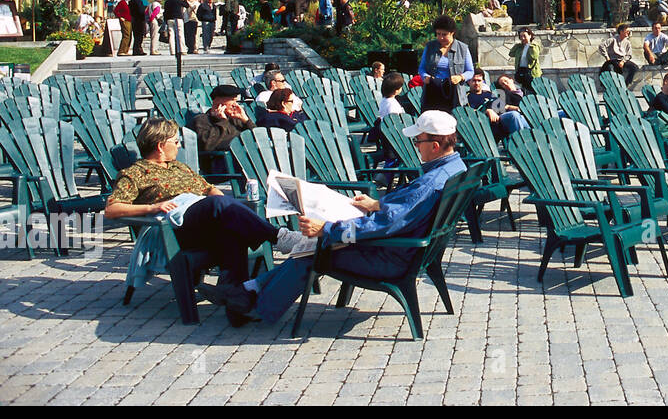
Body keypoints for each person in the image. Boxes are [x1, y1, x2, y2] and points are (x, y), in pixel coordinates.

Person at [209, 109, 468, 326]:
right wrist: (377, 203)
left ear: (434, 146)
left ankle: (255, 307)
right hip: (415, 250)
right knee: (318, 243)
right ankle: (249, 289)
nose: (416, 147)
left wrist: (327, 228)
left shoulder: (429, 183)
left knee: (318, 249)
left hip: (394, 256)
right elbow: (404, 211)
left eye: (418, 142)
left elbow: (385, 224)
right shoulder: (455, 168)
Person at [104, 118, 310, 325]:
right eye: (175, 142)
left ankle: (237, 303)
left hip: (201, 218)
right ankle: (279, 237)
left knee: (230, 230)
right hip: (174, 229)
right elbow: (112, 209)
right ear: (160, 145)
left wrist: (222, 204)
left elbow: (209, 188)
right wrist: (152, 208)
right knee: (217, 206)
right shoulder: (134, 174)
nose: (179, 145)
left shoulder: (179, 167)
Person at [418, 14, 475, 112]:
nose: (440, 37)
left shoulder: (463, 48)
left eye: (444, 34)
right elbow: (421, 68)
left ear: (452, 33)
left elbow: (470, 71)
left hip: (454, 94)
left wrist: (460, 77)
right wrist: (425, 76)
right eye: (438, 34)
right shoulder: (430, 47)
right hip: (432, 91)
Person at [191, 85, 254, 156]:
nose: (235, 104)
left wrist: (246, 120)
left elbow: (258, 138)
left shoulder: (236, 119)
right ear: (218, 101)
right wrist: (222, 122)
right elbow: (207, 145)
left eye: (236, 101)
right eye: (232, 100)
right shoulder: (202, 120)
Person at [466, 70, 529, 138]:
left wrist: (515, 108)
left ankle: (531, 142)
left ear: (483, 82)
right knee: (514, 115)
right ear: (469, 82)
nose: (477, 83)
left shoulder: (489, 94)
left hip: (501, 117)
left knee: (523, 118)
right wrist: (487, 111)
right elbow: (469, 111)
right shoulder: (467, 96)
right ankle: (520, 143)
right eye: (474, 81)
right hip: (487, 123)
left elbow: (503, 106)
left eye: (479, 80)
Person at [508, 28, 543, 94]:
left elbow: (534, 56)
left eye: (524, 36)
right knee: (524, 91)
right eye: (521, 36)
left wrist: (531, 46)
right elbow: (511, 53)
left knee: (533, 91)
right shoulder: (520, 47)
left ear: (530, 35)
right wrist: (517, 46)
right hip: (522, 71)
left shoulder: (534, 46)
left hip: (531, 73)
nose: (523, 38)